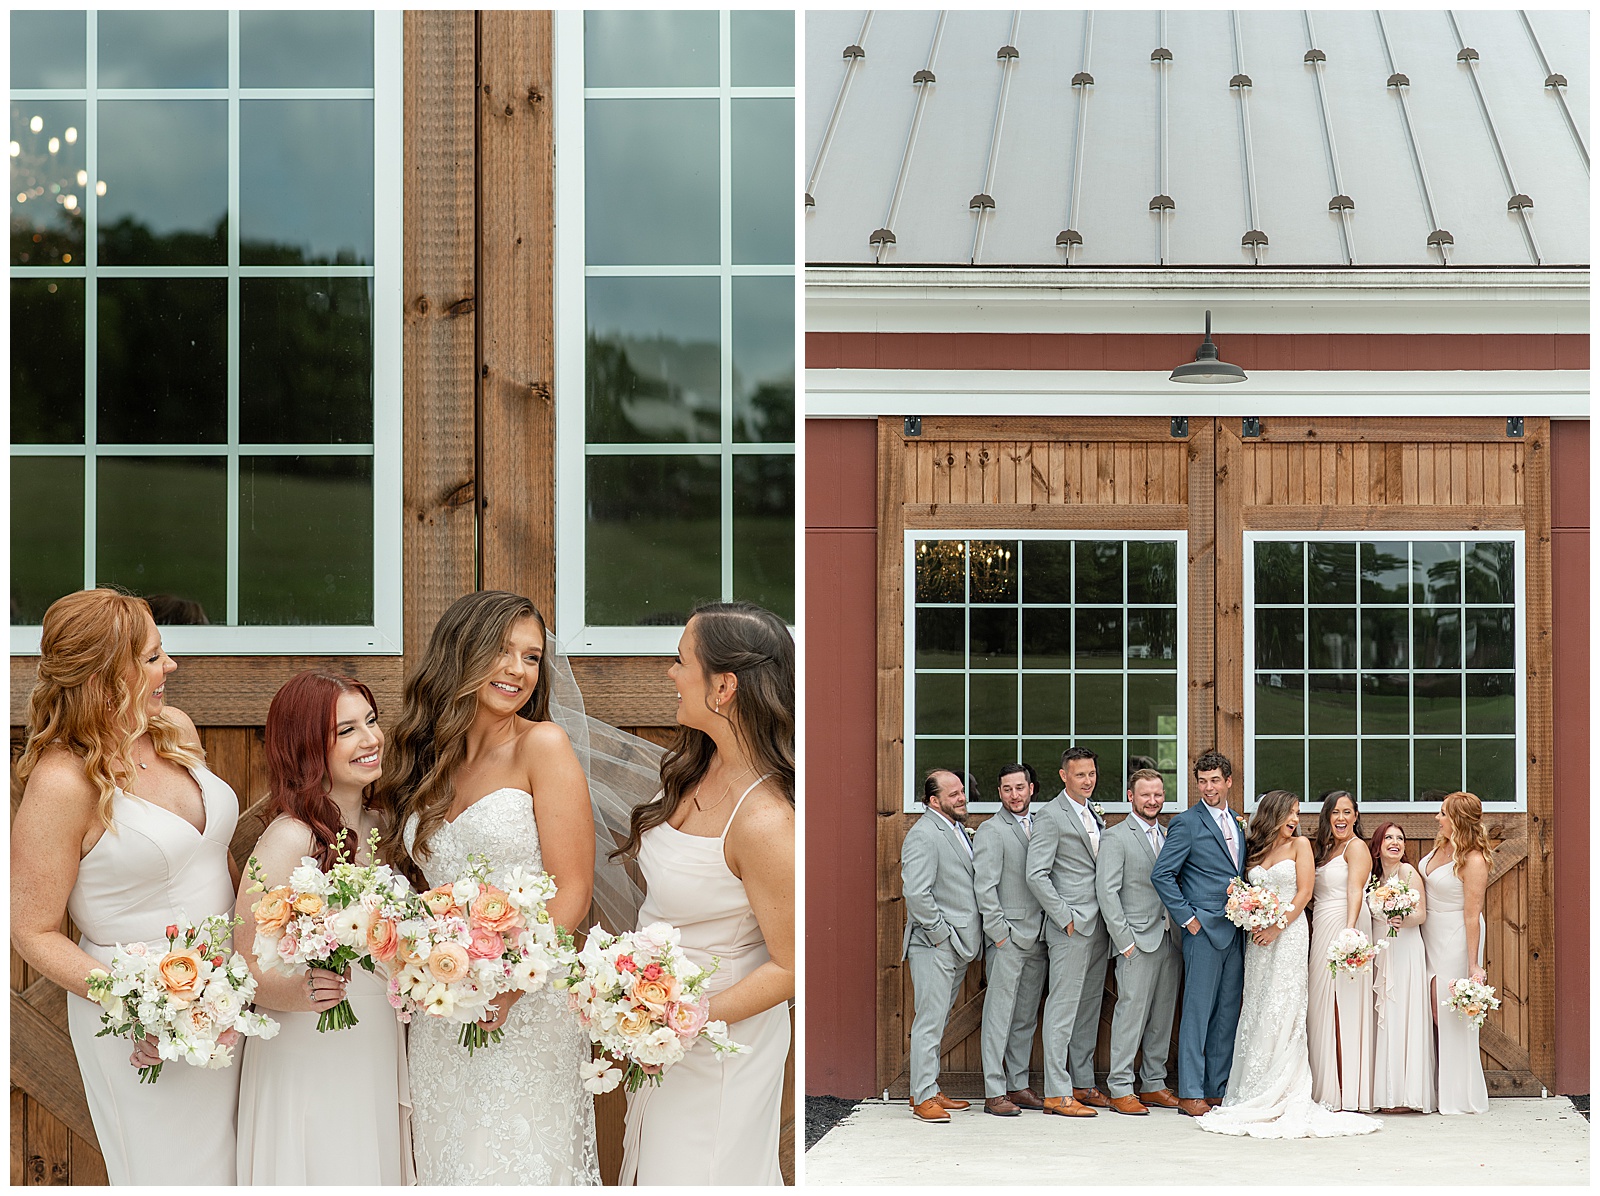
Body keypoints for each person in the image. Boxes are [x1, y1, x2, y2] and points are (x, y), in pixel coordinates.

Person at [11, 589, 241, 1183]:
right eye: (153, 658)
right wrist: (145, 1003)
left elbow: (210, 857)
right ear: (108, 675)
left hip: (231, 999)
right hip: (139, 1019)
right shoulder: (63, 783)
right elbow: (32, 931)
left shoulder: (172, 729)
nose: (171, 667)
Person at [380, 591, 600, 1184]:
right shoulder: (427, 759)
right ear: (461, 652)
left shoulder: (542, 746)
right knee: (450, 1159)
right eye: (503, 651)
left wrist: (507, 987)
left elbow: (573, 890)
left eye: (532, 658)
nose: (519, 671)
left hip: (527, 1005)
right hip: (442, 1006)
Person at [616, 601, 795, 1183]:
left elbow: (793, 966)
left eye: (679, 661)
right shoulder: (698, 768)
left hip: (719, 1044)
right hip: (665, 1034)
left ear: (724, 685)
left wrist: (683, 1018)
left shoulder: (767, 821)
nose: (669, 673)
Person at [233, 671, 412, 1184]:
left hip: (376, 1038)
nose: (371, 739)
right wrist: (301, 990)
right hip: (310, 1041)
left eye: (372, 722)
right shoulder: (288, 838)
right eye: (347, 730)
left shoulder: (384, 828)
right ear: (308, 748)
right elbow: (243, 961)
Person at [1195, 790, 1380, 1139]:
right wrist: (1250, 915)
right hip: (1258, 940)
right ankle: (1253, 1085)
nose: (1295, 819)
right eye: (1290, 813)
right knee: (1257, 1007)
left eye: (1297, 813)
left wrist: (1277, 925)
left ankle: (1285, 1085)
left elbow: (1305, 892)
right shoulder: (1256, 849)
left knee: (1284, 1007)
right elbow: (1242, 890)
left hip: (1289, 934)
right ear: (1273, 813)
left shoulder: (1301, 847)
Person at [1148, 750, 1247, 1117]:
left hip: (1235, 929)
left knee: (1226, 1012)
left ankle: (1215, 1088)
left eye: (1214, 781)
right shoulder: (1187, 823)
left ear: (1228, 782)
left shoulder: (1236, 822)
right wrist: (1188, 918)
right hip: (1203, 929)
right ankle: (1190, 1091)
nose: (1208, 788)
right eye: (1202, 782)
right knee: (1197, 1011)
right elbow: (1162, 874)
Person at [1024, 746, 1111, 1117]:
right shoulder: (1050, 816)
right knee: (1062, 1009)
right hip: (1071, 927)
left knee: (1089, 1008)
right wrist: (1065, 917)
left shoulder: (1094, 813)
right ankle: (1057, 1093)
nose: (1087, 781)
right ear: (1064, 776)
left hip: (1100, 925)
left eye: (1091, 774)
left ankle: (1082, 1082)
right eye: (1080, 775)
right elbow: (1036, 874)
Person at [1094, 768, 1183, 1115]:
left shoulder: (1167, 834)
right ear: (1131, 796)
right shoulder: (1116, 837)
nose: (1153, 801)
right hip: (1135, 940)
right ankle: (1119, 1087)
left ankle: (1154, 1083)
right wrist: (1124, 941)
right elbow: (1107, 892)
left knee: (1162, 1015)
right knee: (1131, 1014)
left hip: (1168, 937)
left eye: (1158, 794)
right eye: (1145, 795)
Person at [897, 768, 982, 1122]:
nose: (962, 797)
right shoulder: (924, 835)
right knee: (929, 1022)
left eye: (962, 791)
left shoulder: (955, 829)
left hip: (958, 943)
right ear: (934, 801)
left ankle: (929, 1088)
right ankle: (922, 1098)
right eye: (953, 794)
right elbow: (916, 893)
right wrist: (941, 935)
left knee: (939, 1019)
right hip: (935, 945)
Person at [971, 763, 1046, 1116]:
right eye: (1007, 789)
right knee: (999, 1015)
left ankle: (1017, 1085)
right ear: (999, 793)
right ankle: (994, 1090)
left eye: (1020, 787)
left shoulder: (1044, 825)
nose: (1014, 795)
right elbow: (984, 888)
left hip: (1040, 936)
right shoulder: (991, 831)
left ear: (1031, 788)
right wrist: (1000, 935)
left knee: (1025, 1016)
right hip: (1009, 938)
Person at [1420, 791, 1494, 1115]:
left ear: (1458, 821)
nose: (1438, 819)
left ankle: (1460, 1095)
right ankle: (1436, 1089)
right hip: (1428, 932)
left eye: (1443, 814)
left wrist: (1473, 963)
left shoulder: (1474, 859)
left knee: (1448, 1012)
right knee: (1430, 1008)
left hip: (1455, 935)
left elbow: (1471, 914)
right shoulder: (1441, 845)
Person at [1306, 789, 1377, 1112]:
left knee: (1343, 1005)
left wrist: (1349, 932)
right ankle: (1325, 1085)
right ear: (1327, 816)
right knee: (1321, 1004)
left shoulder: (1356, 847)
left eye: (1347, 812)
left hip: (1344, 923)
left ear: (1356, 816)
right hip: (1321, 923)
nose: (1341, 818)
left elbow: (1355, 889)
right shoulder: (1324, 850)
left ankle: (1348, 1087)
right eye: (1335, 812)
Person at [1367, 821, 1434, 1114]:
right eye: (1389, 837)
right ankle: (1387, 1092)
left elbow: (1420, 914)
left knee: (1404, 1013)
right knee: (1386, 1015)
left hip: (1405, 948)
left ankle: (1408, 1095)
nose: (1395, 842)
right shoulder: (1373, 877)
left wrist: (1400, 919)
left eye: (1400, 838)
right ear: (1379, 844)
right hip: (1382, 950)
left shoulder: (1407, 872)